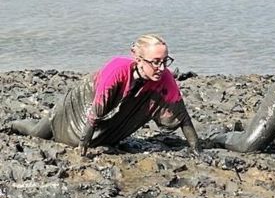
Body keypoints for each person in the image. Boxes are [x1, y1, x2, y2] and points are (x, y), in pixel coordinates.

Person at [9, 34, 200, 157]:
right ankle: (13, 124)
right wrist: (82, 148)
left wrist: (195, 148)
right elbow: (95, 111)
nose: (161, 68)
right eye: (155, 62)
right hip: (83, 98)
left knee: (98, 139)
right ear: (139, 59)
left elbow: (182, 115)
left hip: (113, 112)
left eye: (165, 61)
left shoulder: (163, 77)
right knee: (40, 133)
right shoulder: (117, 69)